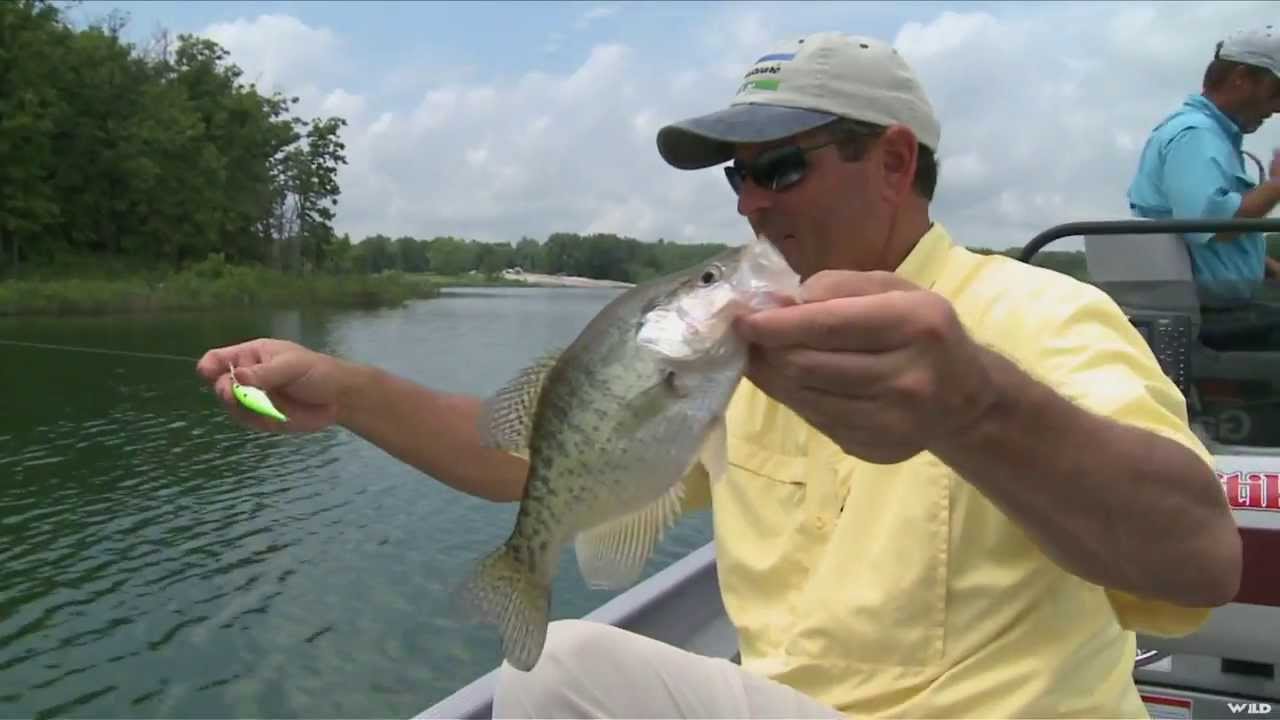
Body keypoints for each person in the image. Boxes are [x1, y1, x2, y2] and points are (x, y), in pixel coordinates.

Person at [198, 31, 1242, 718]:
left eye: (778, 167)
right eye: (735, 175)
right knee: (550, 678)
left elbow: (1196, 562)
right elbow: (537, 461)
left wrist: (972, 407)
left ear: (890, 162)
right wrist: (349, 390)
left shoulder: (1039, 314)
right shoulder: (744, 345)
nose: (746, 203)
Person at [1127, 26, 1280, 318]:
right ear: (1241, 80)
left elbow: (1199, 240)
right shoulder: (1195, 136)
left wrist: (1268, 267)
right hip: (1207, 320)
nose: (1279, 107)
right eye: (1277, 92)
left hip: (1215, 310)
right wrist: (1277, 185)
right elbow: (1212, 224)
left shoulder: (1209, 136)